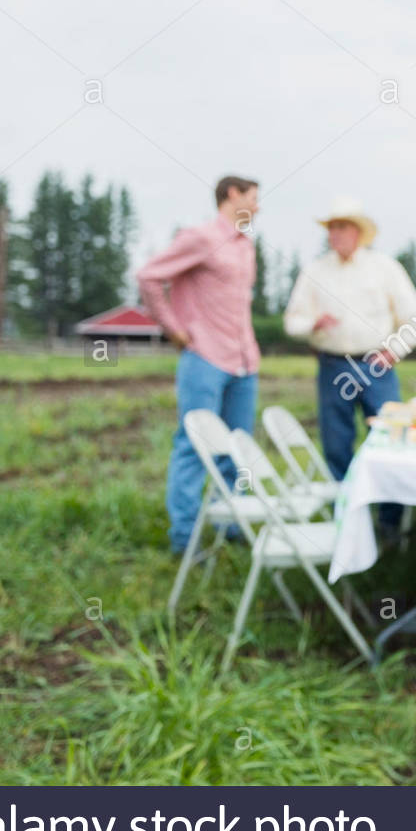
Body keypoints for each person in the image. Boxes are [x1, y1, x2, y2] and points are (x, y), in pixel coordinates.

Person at [283, 198, 416, 530]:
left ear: (358, 232)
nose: (335, 234)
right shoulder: (315, 271)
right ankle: (347, 520)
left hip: (378, 366)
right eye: (331, 227)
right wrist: (312, 324)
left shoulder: (385, 267)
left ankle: (389, 521)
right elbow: (292, 321)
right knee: (336, 443)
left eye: (342, 227)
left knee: (392, 441)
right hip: (332, 366)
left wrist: (392, 352)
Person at [136, 175, 261, 554]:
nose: (257, 207)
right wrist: (175, 329)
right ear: (232, 195)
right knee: (195, 447)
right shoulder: (201, 237)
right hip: (205, 358)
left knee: (237, 448)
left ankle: (230, 525)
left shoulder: (247, 247)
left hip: (244, 361)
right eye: (254, 198)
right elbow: (148, 276)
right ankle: (185, 539)